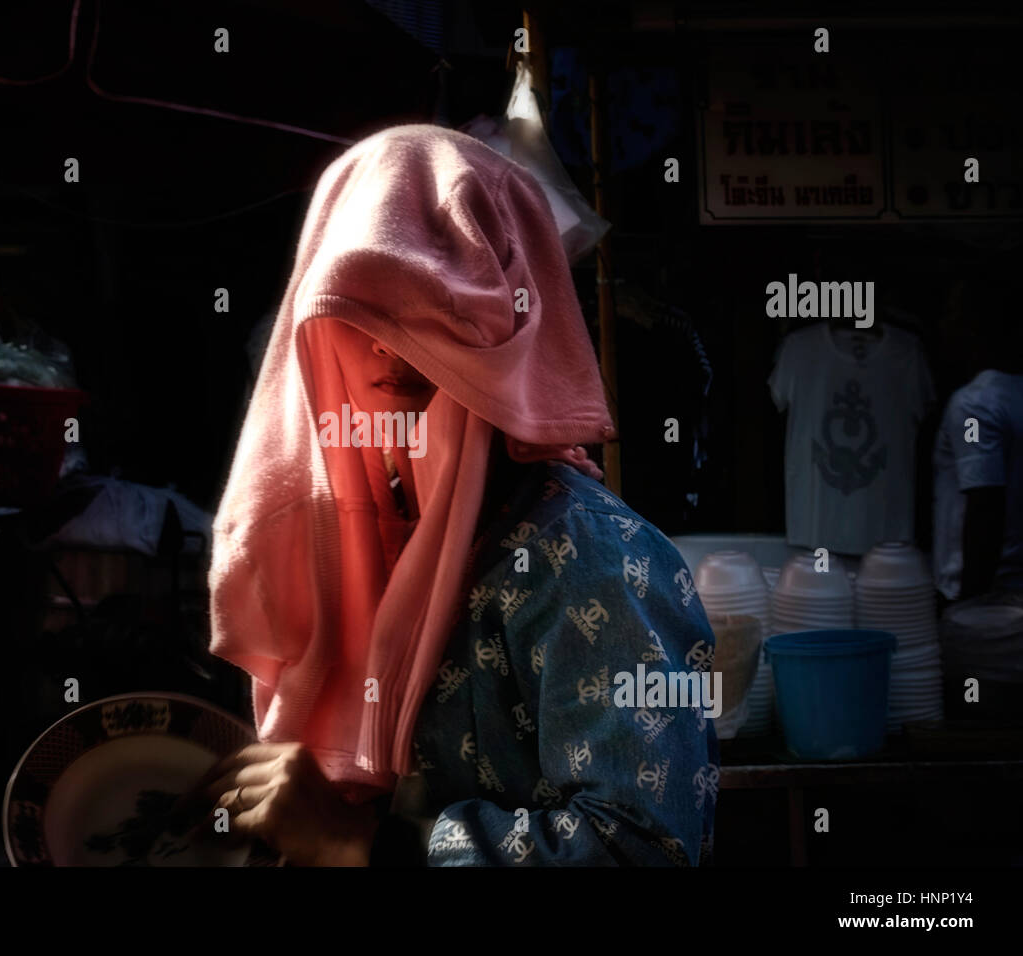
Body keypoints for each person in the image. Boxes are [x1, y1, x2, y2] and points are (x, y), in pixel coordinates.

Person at [199, 124, 718, 866]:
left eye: (428, 300)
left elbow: (645, 845)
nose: (387, 344)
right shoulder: (356, 546)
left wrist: (366, 845)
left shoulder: (588, 557)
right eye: (360, 305)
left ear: (513, 311)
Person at [932, 278, 1023, 602]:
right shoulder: (1011, 393)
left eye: (951, 315)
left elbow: (985, 500)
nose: (943, 327)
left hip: (988, 595)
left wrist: (971, 601)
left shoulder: (975, 405)